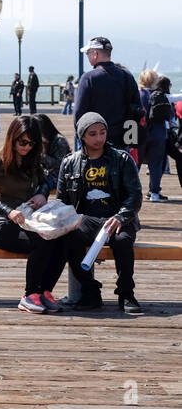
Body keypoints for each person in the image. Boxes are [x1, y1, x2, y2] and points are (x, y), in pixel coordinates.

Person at [55, 112, 143, 313]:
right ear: (82, 137)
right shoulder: (70, 162)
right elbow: (62, 199)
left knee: (122, 241)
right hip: (86, 219)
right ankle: (90, 291)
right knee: (68, 239)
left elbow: (135, 195)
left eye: (102, 132)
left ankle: (126, 293)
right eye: (92, 134)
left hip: (118, 217)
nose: (99, 138)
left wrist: (121, 216)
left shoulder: (122, 159)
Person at [0, 116, 63, 313]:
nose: (27, 147)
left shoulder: (32, 160)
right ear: (12, 138)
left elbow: (47, 180)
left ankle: (44, 291)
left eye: (32, 143)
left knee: (62, 239)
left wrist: (42, 193)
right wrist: (9, 211)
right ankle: (30, 294)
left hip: (28, 220)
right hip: (1, 224)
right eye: (22, 142)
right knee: (42, 241)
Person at [72, 37, 139, 151]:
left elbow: (79, 114)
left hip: (95, 142)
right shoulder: (127, 76)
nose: (87, 56)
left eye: (88, 53)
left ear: (95, 54)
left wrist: (81, 138)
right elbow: (137, 109)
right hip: (122, 141)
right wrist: (131, 141)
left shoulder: (88, 78)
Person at [139, 68, 169, 202]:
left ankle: (132, 191)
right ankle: (154, 193)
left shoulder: (138, 95)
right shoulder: (161, 95)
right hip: (158, 133)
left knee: (135, 163)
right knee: (156, 164)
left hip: (140, 133)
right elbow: (170, 115)